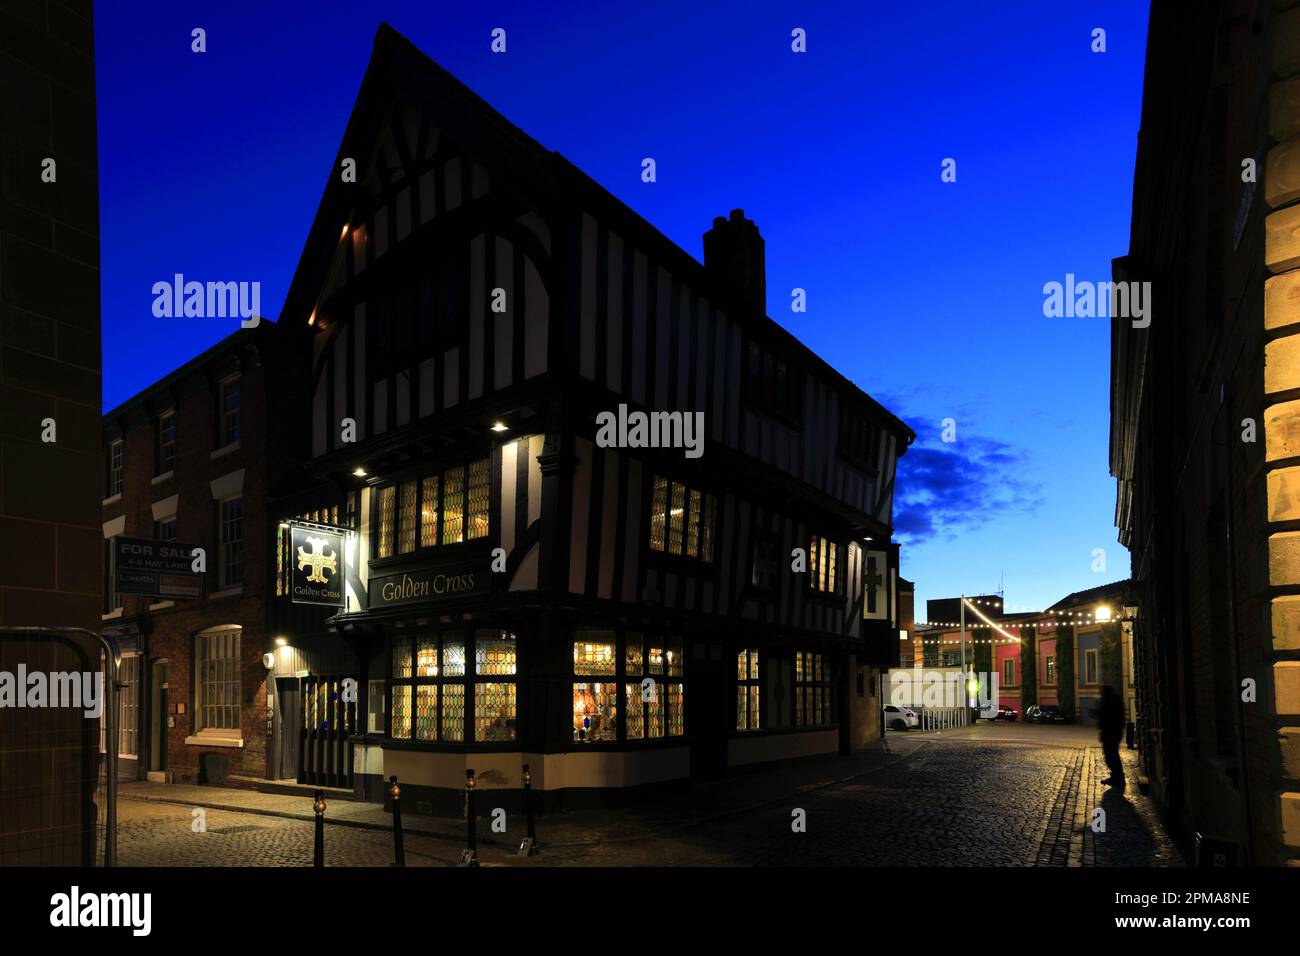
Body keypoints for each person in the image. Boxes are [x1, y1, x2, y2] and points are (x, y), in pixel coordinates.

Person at [1098, 685, 1126, 789]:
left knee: (1111, 756)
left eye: (1102, 692)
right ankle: (1117, 777)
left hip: (1111, 732)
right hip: (1114, 731)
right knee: (1113, 755)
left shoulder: (1109, 701)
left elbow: (1106, 716)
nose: (1100, 694)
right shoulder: (1115, 700)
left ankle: (1117, 778)